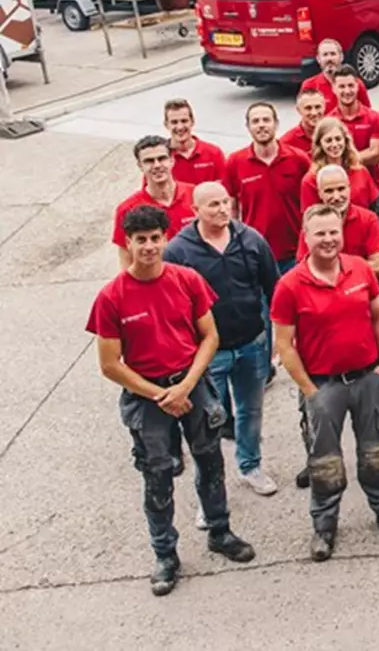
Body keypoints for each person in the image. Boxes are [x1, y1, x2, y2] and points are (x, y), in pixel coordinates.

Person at [87, 205, 255, 596]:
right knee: (157, 475)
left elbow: (209, 336)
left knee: (210, 461)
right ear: (127, 243)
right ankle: (165, 554)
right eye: (140, 240)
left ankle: (220, 531)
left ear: (165, 239)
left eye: (154, 238)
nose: (148, 246)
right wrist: (161, 394)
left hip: (192, 385)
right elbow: (110, 365)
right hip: (148, 398)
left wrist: (185, 387)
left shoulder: (187, 280)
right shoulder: (111, 297)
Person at [271, 205, 379, 561]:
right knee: (325, 464)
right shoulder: (289, 285)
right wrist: (309, 391)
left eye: (333, 231)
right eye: (320, 233)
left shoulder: (360, 268)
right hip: (324, 387)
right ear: (306, 237)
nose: (328, 239)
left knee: (377, 455)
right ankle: (324, 527)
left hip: (368, 379)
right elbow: (284, 345)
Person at [164, 182, 279, 496]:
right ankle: (210, 490)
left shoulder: (251, 239)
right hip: (207, 352)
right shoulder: (178, 251)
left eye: (225, 202)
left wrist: (279, 338)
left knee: (250, 410)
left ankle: (250, 465)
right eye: (213, 205)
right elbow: (171, 307)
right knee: (207, 420)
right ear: (195, 211)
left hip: (251, 344)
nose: (222, 209)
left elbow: (275, 290)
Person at [222, 103, 310, 273]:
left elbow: (312, 202)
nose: (261, 125)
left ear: (276, 124)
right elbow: (231, 207)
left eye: (266, 120)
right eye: (255, 121)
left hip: (296, 253)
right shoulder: (235, 162)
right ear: (248, 127)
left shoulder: (298, 159)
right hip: (256, 253)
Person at [114, 135, 196, 270]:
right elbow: (126, 262)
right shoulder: (127, 209)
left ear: (172, 160)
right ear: (140, 166)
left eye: (162, 158)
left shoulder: (195, 195)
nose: (157, 165)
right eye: (149, 161)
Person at [327, 64, 379, 232]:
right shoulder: (329, 121)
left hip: (373, 191)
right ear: (333, 88)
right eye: (342, 86)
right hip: (337, 193)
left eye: (350, 85)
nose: (347, 91)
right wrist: (360, 156)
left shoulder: (373, 117)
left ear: (357, 86)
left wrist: (341, 158)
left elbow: (377, 155)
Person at [299, 117, 379, 212]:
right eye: (328, 140)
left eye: (338, 139)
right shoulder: (311, 180)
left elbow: (374, 208)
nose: (334, 144)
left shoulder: (361, 172)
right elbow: (310, 217)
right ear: (319, 144)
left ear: (345, 141)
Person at [162, 99, 225, 185]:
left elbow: (225, 188)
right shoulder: (160, 158)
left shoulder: (213, 153)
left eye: (184, 121)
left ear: (192, 122)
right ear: (166, 125)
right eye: (174, 122)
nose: (180, 127)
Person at [300, 38, 370, 113]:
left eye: (333, 54)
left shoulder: (356, 84)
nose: (329, 58)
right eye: (325, 55)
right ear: (318, 59)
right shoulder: (309, 86)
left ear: (341, 57)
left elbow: (367, 114)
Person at [280, 89, 328, 156]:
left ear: (325, 107)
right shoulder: (287, 143)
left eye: (318, 107)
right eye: (308, 108)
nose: (314, 112)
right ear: (299, 110)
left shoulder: (335, 135)